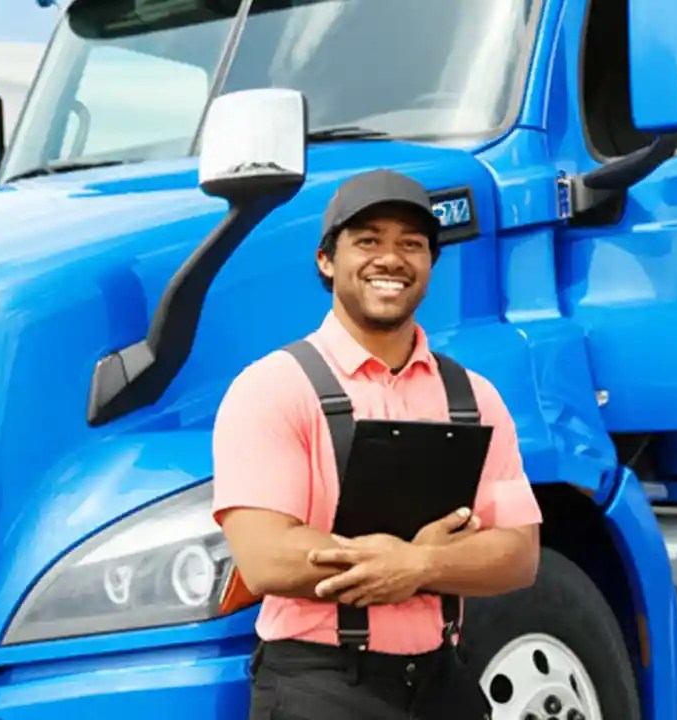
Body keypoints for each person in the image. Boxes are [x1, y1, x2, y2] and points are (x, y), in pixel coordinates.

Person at [211, 169, 543, 719]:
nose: (390, 259)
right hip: (319, 686)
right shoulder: (272, 387)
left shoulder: (475, 398)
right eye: (368, 241)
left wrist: (418, 565)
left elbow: (518, 556)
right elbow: (267, 557)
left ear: (430, 265)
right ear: (326, 260)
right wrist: (412, 559)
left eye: (411, 244)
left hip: (444, 682)